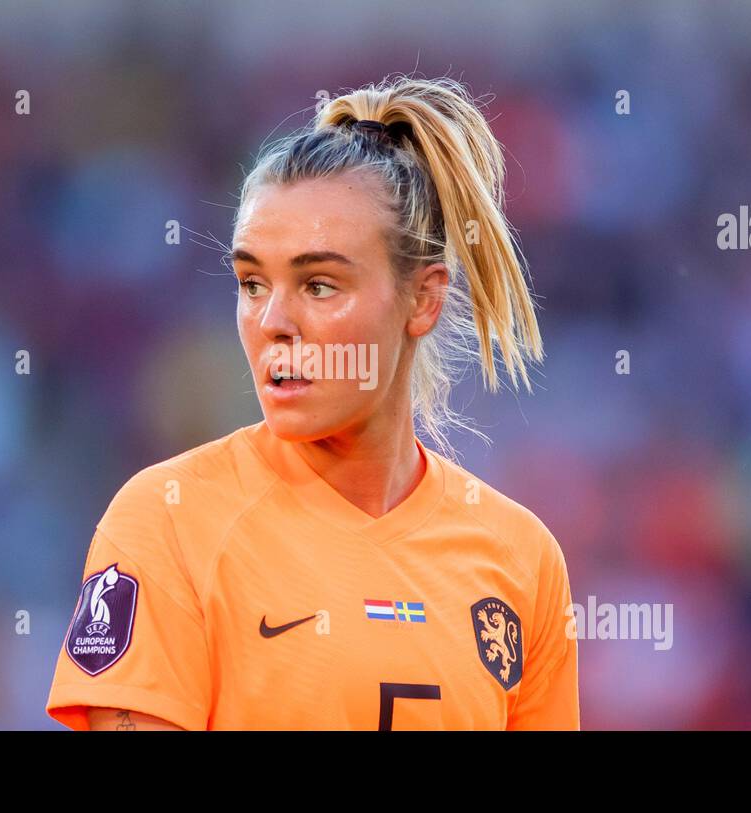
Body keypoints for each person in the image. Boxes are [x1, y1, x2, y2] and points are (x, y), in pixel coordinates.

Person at [46, 75, 578, 730]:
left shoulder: (521, 559)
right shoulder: (169, 522)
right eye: (251, 282)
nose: (273, 319)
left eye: (319, 284)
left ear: (423, 298)